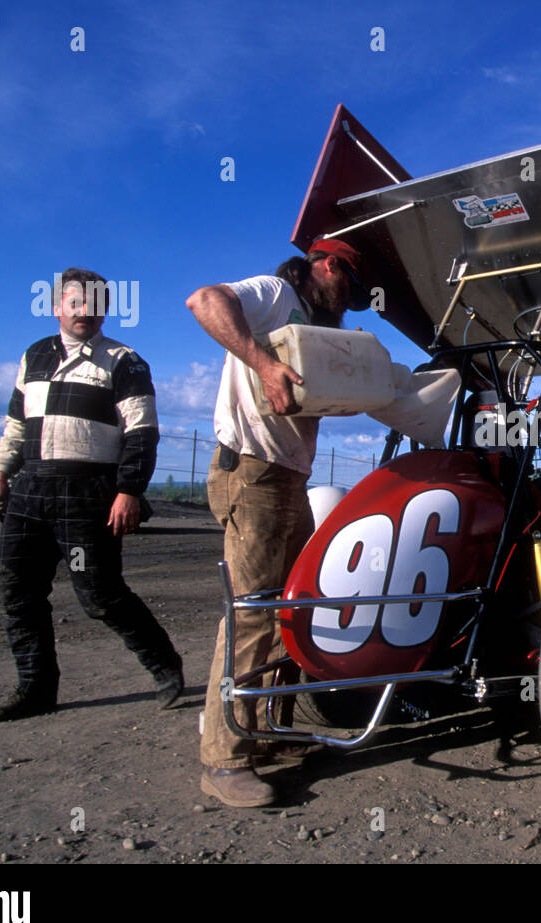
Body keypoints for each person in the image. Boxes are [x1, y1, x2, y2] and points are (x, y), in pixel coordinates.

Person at [188, 238, 370, 808]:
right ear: (329, 266)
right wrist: (264, 365)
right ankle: (224, 761)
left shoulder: (309, 320)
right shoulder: (275, 293)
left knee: (285, 608)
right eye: (350, 289)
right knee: (249, 613)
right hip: (253, 471)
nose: (349, 302)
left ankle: (262, 735)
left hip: (286, 476)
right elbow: (204, 300)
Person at [0, 269, 184, 723]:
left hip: (88, 495)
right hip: (30, 491)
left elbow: (142, 433)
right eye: (76, 304)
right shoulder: (34, 356)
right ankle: (35, 689)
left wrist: (129, 491)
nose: (85, 313)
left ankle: (164, 664)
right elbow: (16, 423)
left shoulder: (124, 361)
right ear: (58, 307)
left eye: (95, 306)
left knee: (99, 594)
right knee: (17, 591)